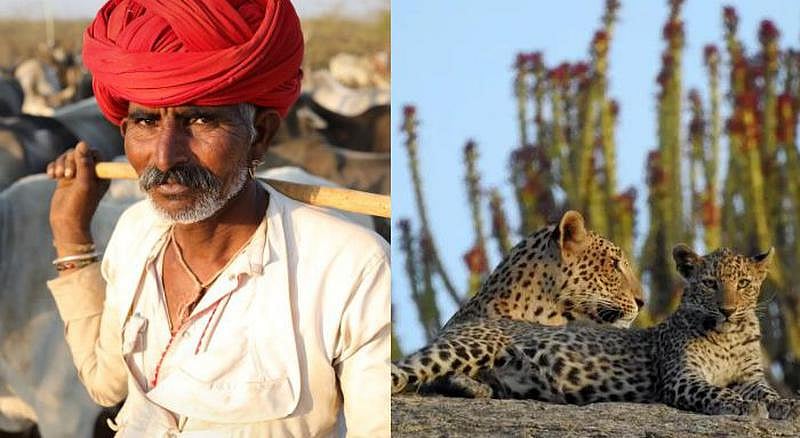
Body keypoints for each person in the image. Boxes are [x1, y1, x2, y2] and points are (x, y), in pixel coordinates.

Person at [44, 0, 390, 436]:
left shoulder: (352, 268)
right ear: (123, 132)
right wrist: (71, 236)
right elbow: (102, 383)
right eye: (146, 122)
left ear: (260, 135)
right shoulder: (134, 232)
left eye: (200, 119)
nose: (165, 157)